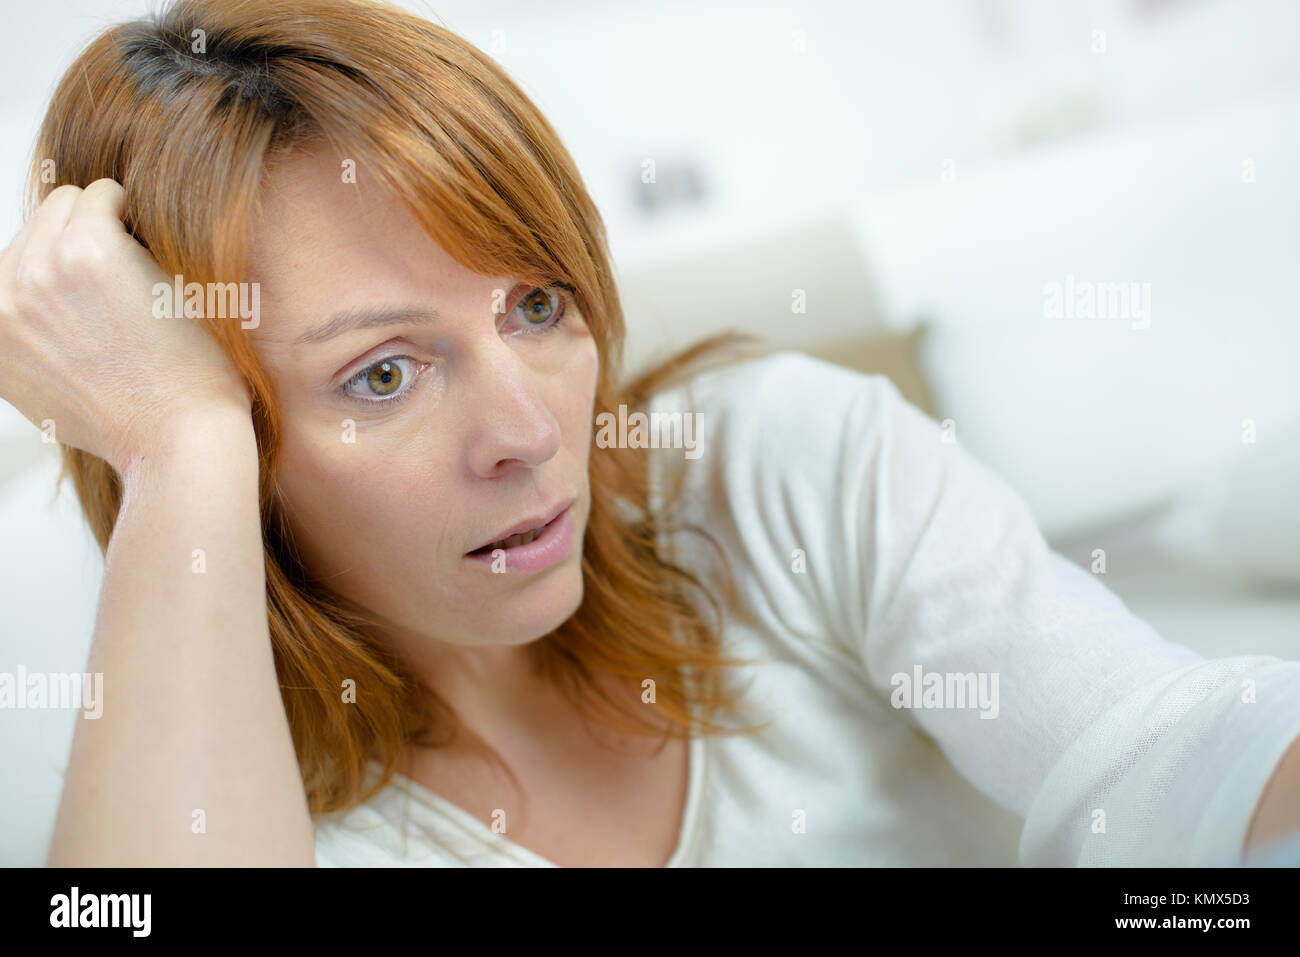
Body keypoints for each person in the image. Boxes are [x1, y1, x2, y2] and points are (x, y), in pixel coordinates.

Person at [3, 0, 1297, 867]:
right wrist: (175, 447)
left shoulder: (784, 463)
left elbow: (1164, 753)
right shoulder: (220, 780)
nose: (523, 431)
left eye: (538, 303)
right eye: (385, 373)